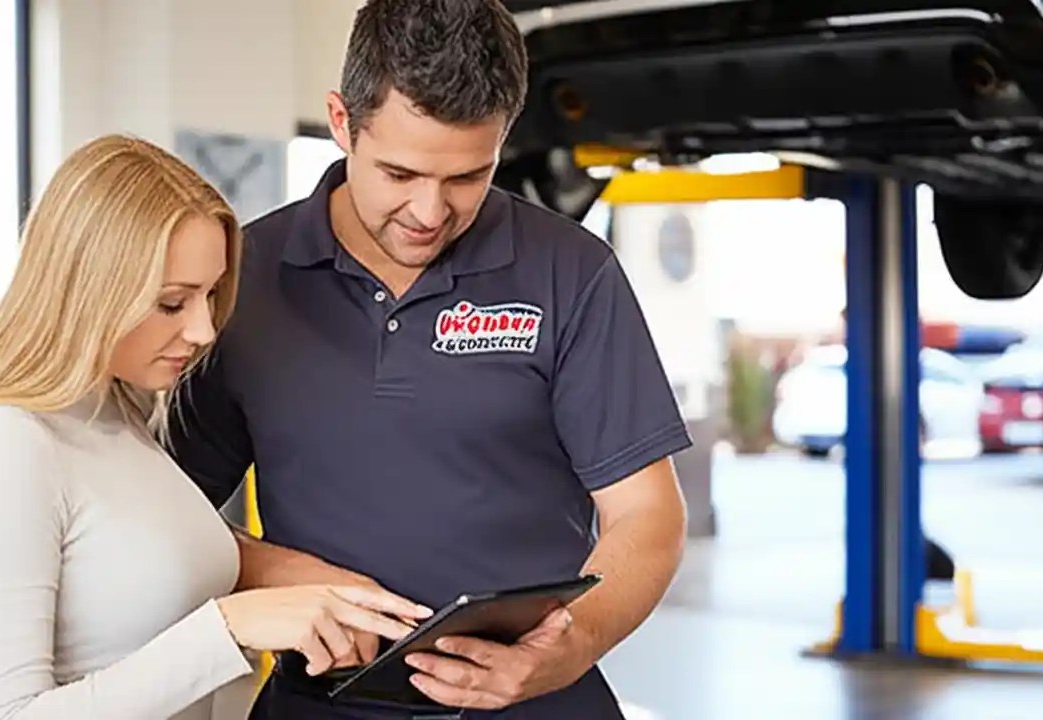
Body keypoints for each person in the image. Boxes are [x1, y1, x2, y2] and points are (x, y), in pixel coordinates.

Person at [168, 1, 692, 717]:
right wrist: (282, 572)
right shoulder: (242, 280)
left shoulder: (572, 273)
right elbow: (165, 516)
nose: (429, 211)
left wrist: (574, 641)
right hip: (319, 704)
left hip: (541, 705)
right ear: (341, 122)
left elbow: (648, 514)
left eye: (467, 178)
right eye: (399, 172)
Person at [0, 133, 433, 720]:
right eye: (172, 303)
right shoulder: (4, 445)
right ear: (88, 291)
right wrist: (228, 627)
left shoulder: (120, 417)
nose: (203, 331)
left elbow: (153, 559)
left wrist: (339, 594)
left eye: (210, 295)